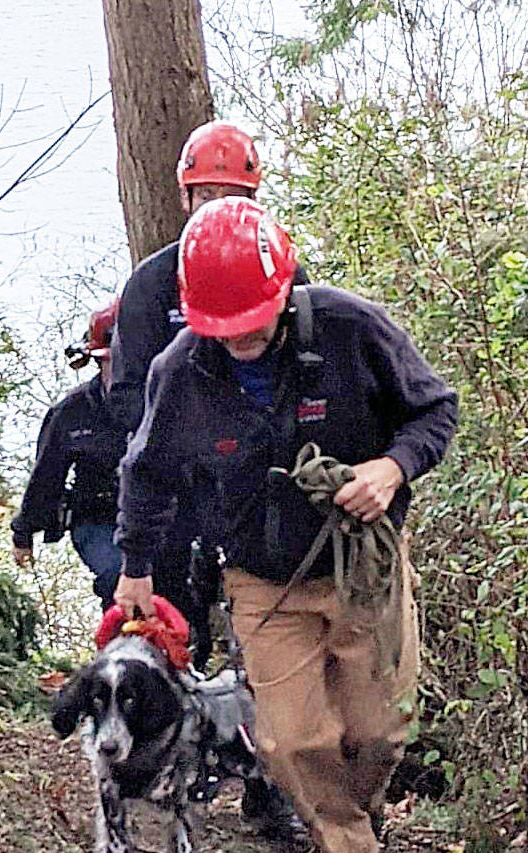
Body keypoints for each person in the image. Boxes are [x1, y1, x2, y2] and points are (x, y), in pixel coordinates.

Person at [113, 198, 459, 853]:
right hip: (261, 576)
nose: (238, 337)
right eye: (222, 327)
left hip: (364, 564)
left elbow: (434, 410)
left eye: (250, 322)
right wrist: (135, 566)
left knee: (379, 731)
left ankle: (353, 816)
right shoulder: (181, 371)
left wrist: (390, 470)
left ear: (283, 293)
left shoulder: (349, 327)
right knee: (290, 739)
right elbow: (146, 472)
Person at [107, 121, 309, 667]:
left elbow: (306, 368)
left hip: (258, 472)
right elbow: (127, 392)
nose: (217, 205)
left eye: (232, 195)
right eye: (207, 194)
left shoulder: (282, 270)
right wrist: (180, 444)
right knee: (171, 594)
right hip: (179, 473)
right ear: (186, 196)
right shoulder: (152, 285)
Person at [10, 300, 127, 607]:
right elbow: (46, 476)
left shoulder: (170, 400)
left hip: (163, 517)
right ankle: (118, 648)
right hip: (100, 522)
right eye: (114, 362)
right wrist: (24, 531)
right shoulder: (71, 413)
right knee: (118, 578)